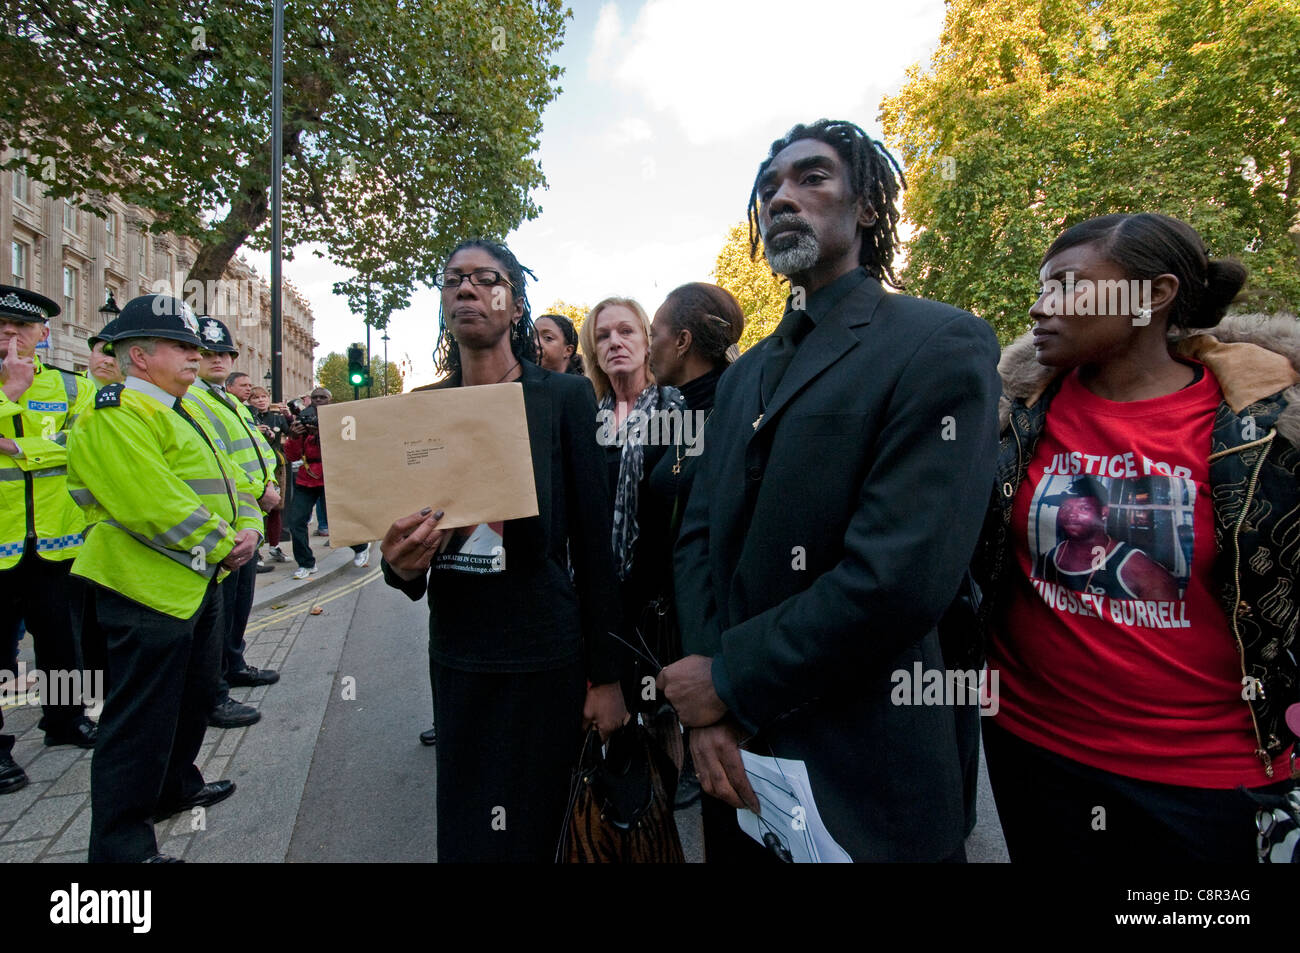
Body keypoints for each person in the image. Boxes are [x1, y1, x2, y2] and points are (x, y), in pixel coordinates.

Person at [657, 120, 1001, 862]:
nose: (784, 197)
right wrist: (709, 707)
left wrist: (730, 679)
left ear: (867, 208)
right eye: (770, 188)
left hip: (867, 776)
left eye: (811, 178)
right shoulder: (744, 374)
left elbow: (899, 578)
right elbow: (698, 538)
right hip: (738, 769)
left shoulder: (939, 342)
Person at [969, 212, 1300, 862]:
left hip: (1208, 779)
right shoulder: (1013, 416)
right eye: (1040, 288)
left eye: (1065, 286)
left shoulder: (1272, 428)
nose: (1039, 308)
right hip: (1031, 746)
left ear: (1153, 295)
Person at [380, 238, 627, 861]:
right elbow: (405, 554)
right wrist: (399, 567)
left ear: (513, 304)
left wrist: (608, 678)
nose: (466, 289)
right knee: (469, 833)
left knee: (541, 830)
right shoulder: (424, 409)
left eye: (485, 279)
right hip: (461, 654)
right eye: (453, 280)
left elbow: (596, 549)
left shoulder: (565, 398)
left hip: (546, 656)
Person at [67, 294, 262, 861]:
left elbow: (231, 482)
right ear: (140, 356)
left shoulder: (186, 411)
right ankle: (121, 851)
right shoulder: (115, 412)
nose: (194, 357)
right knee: (139, 726)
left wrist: (248, 526)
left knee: (195, 699)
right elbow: (151, 503)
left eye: (195, 348)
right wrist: (228, 545)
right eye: (181, 346)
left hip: (197, 583)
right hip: (144, 589)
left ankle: (177, 786)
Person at [645, 282, 745, 808]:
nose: (647, 346)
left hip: (717, 647)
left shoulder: (738, 417)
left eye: (654, 334)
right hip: (677, 634)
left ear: (682, 341)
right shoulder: (679, 417)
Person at [0, 284, 99, 797]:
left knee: (64, 643)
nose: (10, 335)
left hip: (57, 540)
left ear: (43, 334)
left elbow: (82, 445)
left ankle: (66, 719)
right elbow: (59, 446)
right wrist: (8, 396)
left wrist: (16, 445)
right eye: (0, 326)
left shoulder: (69, 387)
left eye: (21, 327)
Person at [581, 298, 684, 716]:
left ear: (647, 341)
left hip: (661, 608)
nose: (615, 342)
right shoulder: (588, 420)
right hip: (599, 606)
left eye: (626, 331)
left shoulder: (676, 410)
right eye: (602, 336)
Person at [183, 318, 279, 730]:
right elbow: (221, 460)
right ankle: (215, 691)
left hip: (247, 515)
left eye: (224, 354)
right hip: (224, 518)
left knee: (239, 604)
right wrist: (259, 492)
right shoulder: (193, 399)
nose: (217, 360)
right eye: (207, 353)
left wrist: (270, 481)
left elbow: (256, 448)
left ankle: (234, 664)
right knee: (217, 616)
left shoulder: (230, 401)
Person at [283, 386, 368, 576]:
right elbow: (292, 455)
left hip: (331, 476)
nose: (318, 400)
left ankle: (361, 546)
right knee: (296, 521)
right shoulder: (302, 419)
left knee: (338, 518)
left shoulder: (342, 420)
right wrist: (294, 437)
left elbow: (349, 448)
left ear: (330, 400)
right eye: (315, 397)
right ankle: (306, 563)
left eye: (323, 397)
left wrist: (322, 433)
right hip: (307, 478)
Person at [248, 385, 290, 565]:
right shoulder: (247, 416)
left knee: (276, 508)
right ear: (250, 401)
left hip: (276, 466)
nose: (260, 400)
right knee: (257, 509)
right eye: (256, 398)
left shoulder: (277, 417)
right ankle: (256, 551)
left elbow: (289, 434)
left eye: (263, 397)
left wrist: (288, 415)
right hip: (256, 467)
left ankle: (275, 546)